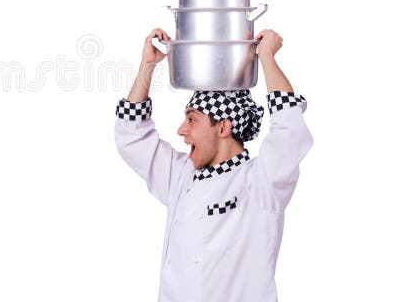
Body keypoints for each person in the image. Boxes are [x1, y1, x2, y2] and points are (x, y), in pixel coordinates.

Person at [115, 28, 312, 302]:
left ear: (223, 127)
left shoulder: (261, 182)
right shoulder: (180, 176)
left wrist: (266, 57)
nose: (181, 130)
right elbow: (131, 136)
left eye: (191, 119)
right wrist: (147, 65)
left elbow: (289, 130)